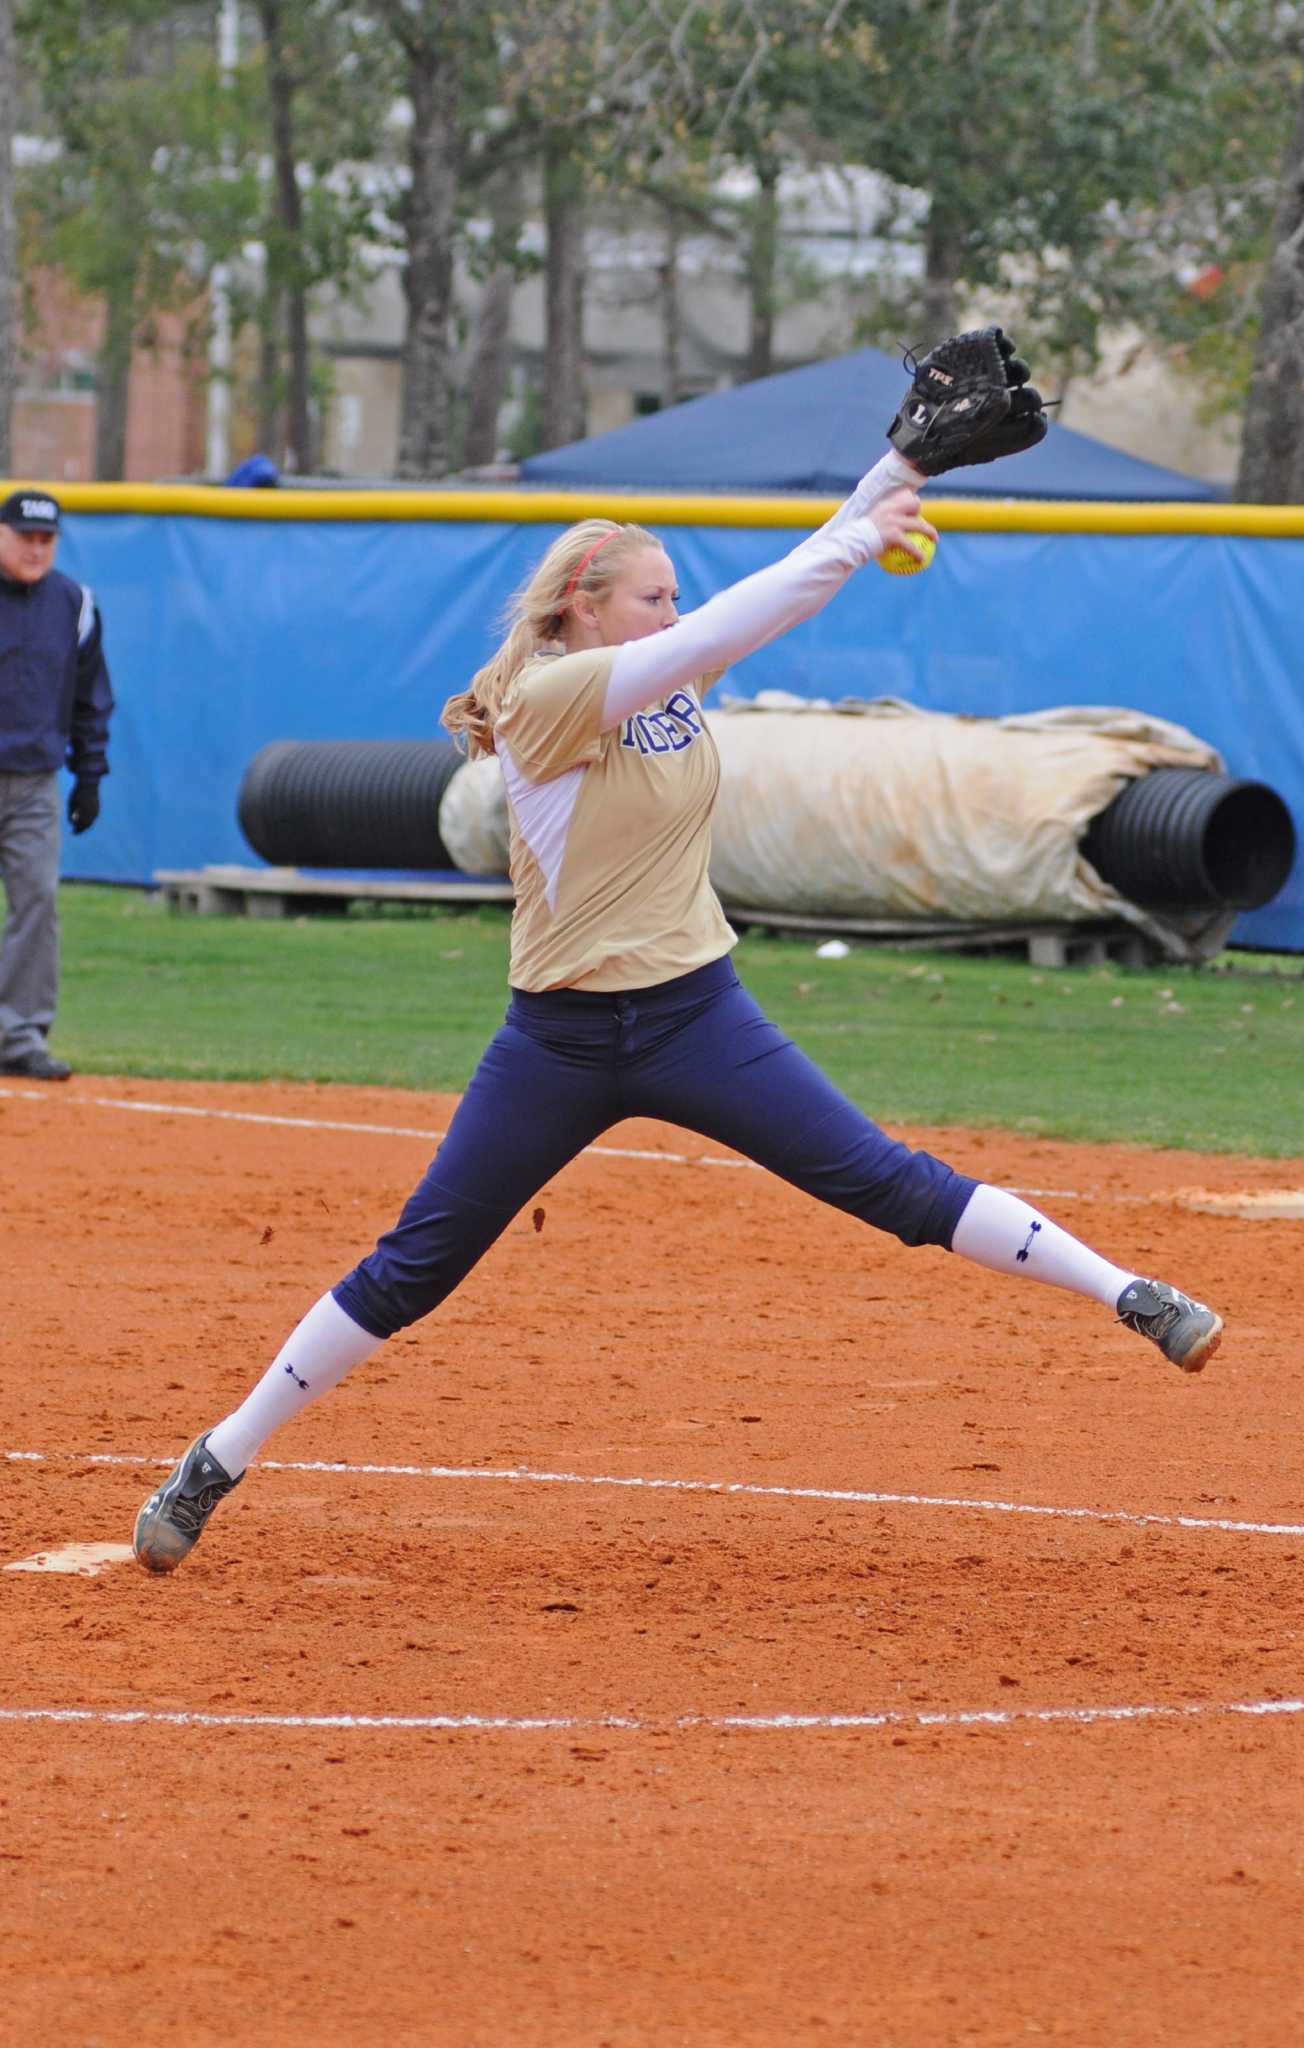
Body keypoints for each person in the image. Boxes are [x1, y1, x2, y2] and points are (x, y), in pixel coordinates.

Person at [131, 398, 1224, 1573]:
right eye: (653, 596)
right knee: (418, 1262)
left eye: (673, 597)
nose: (674, 611)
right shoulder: (548, 696)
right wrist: (859, 537)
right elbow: (745, 613)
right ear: (583, 607)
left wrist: (895, 467)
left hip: (698, 1015)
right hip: (557, 1041)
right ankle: (219, 1456)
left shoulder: (665, 676)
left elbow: (766, 598)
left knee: (886, 1180)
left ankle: (1133, 1294)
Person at [0, 488, 113, 1083]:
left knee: (38, 902)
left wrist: (88, 778)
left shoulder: (74, 603)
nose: (36, 549)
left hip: (34, 784)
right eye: (26, 537)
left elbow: (91, 699)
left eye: (47, 539)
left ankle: (18, 1037)